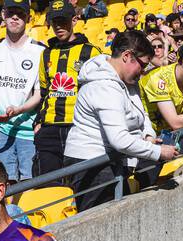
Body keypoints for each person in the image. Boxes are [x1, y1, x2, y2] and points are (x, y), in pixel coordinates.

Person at [65, 32, 177, 211]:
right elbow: (120, 139)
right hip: (91, 162)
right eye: (142, 66)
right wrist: (158, 151)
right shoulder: (104, 87)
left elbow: (142, 114)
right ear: (127, 57)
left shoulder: (127, 80)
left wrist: (148, 135)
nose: (142, 72)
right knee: (101, 220)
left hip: (112, 160)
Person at [0, 0, 46, 182]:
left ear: (28, 18)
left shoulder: (39, 52)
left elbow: (39, 94)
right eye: (11, 13)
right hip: (0, 130)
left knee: (29, 183)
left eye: (21, 14)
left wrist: (19, 110)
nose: (15, 17)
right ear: (3, 15)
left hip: (28, 131)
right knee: (2, 185)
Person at [36, 0, 97, 178]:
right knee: (47, 186)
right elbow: (44, 91)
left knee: (81, 181)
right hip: (49, 129)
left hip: (78, 126)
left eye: (63, 20)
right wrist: (38, 122)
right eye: (55, 22)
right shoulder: (46, 53)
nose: (59, 26)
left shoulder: (91, 52)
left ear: (74, 20)